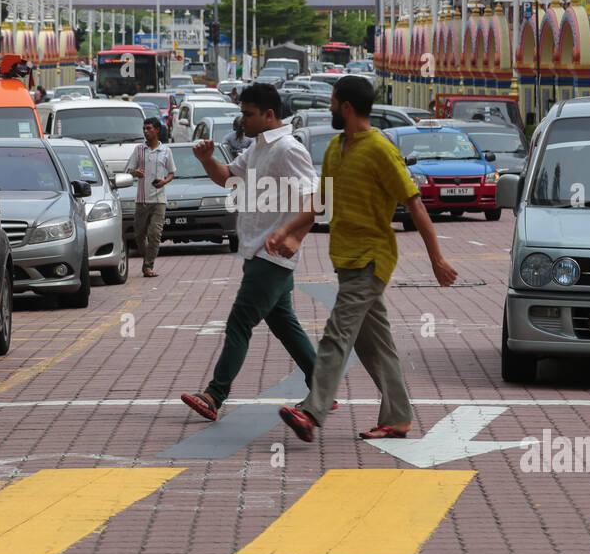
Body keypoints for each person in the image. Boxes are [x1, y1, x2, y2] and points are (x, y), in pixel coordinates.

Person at [266, 75, 457, 443]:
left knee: (336, 334)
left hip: (372, 260)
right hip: (346, 259)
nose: (330, 108)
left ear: (347, 107)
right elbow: (321, 204)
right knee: (375, 344)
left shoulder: (381, 149)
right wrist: (289, 233)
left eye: (333, 102)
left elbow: (414, 203)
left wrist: (437, 259)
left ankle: (312, 411)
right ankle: (398, 417)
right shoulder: (337, 148)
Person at [178, 83, 319, 421]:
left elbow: (317, 199)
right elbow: (228, 178)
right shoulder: (257, 147)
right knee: (284, 324)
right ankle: (322, 387)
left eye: (248, 114)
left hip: (272, 255)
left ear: (269, 115)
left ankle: (215, 394)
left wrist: (291, 235)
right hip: (258, 251)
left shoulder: (287, 148)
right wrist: (207, 159)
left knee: (239, 322)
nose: (242, 120)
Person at [126, 116, 175, 278]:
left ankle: (148, 266)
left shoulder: (166, 150)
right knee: (139, 235)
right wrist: (135, 172)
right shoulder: (139, 150)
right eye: (144, 129)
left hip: (159, 200)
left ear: (157, 130)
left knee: (155, 234)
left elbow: (171, 173)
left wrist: (164, 182)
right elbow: (129, 169)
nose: (146, 132)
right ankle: (147, 258)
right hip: (141, 200)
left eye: (149, 128)